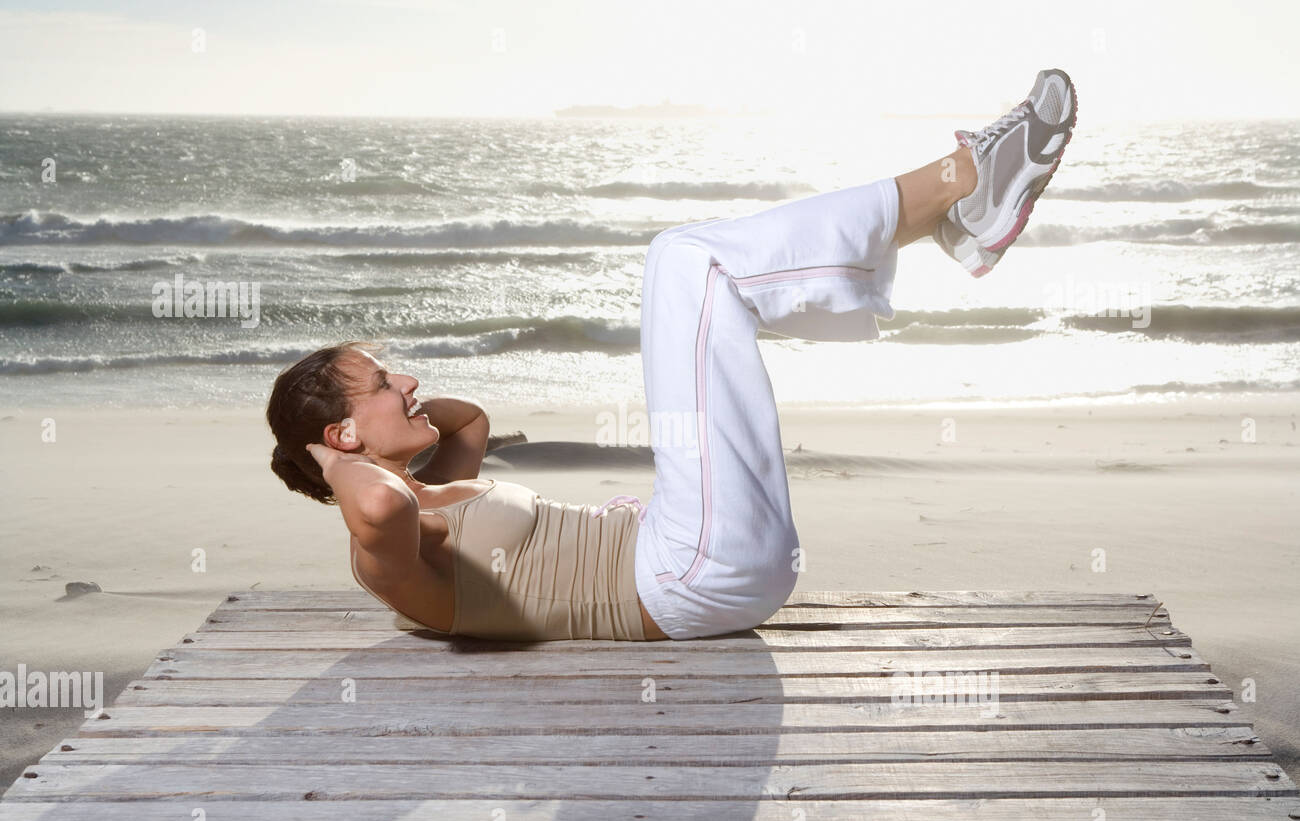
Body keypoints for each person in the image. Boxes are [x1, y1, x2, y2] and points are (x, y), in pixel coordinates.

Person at [265, 68, 1078, 643]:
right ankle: (964, 184)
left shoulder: (434, 489)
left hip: (694, 554)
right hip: (686, 572)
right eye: (378, 383)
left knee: (704, 279)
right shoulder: (384, 554)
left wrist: (385, 419)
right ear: (339, 439)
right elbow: (378, 507)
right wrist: (324, 458)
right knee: (688, 262)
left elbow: (467, 419)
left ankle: (958, 205)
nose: (407, 382)